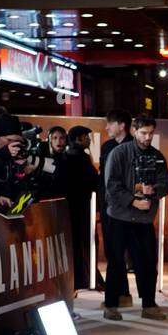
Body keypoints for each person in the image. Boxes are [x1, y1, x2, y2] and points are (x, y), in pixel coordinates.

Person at [103, 113, 168, 320]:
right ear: (134, 131)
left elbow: (165, 184)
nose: (147, 137)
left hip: (143, 219)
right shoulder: (119, 153)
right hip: (120, 216)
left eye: (151, 133)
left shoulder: (157, 156)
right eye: (143, 133)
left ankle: (148, 305)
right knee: (115, 262)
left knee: (148, 262)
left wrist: (153, 191)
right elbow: (111, 184)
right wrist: (133, 200)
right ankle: (111, 305)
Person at [54, 124, 99, 289]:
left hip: (71, 210)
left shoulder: (67, 158)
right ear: (78, 139)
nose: (89, 140)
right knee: (83, 244)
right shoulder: (80, 159)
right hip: (80, 210)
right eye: (86, 137)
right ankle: (84, 278)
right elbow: (95, 183)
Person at [97, 109, 131, 301]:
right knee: (112, 251)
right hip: (109, 207)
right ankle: (120, 293)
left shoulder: (133, 147)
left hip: (128, 208)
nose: (107, 127)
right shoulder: (107, 146)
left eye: (110, 123)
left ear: (121, 125)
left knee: (128, 252)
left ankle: (122, 295)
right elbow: (103, 178)